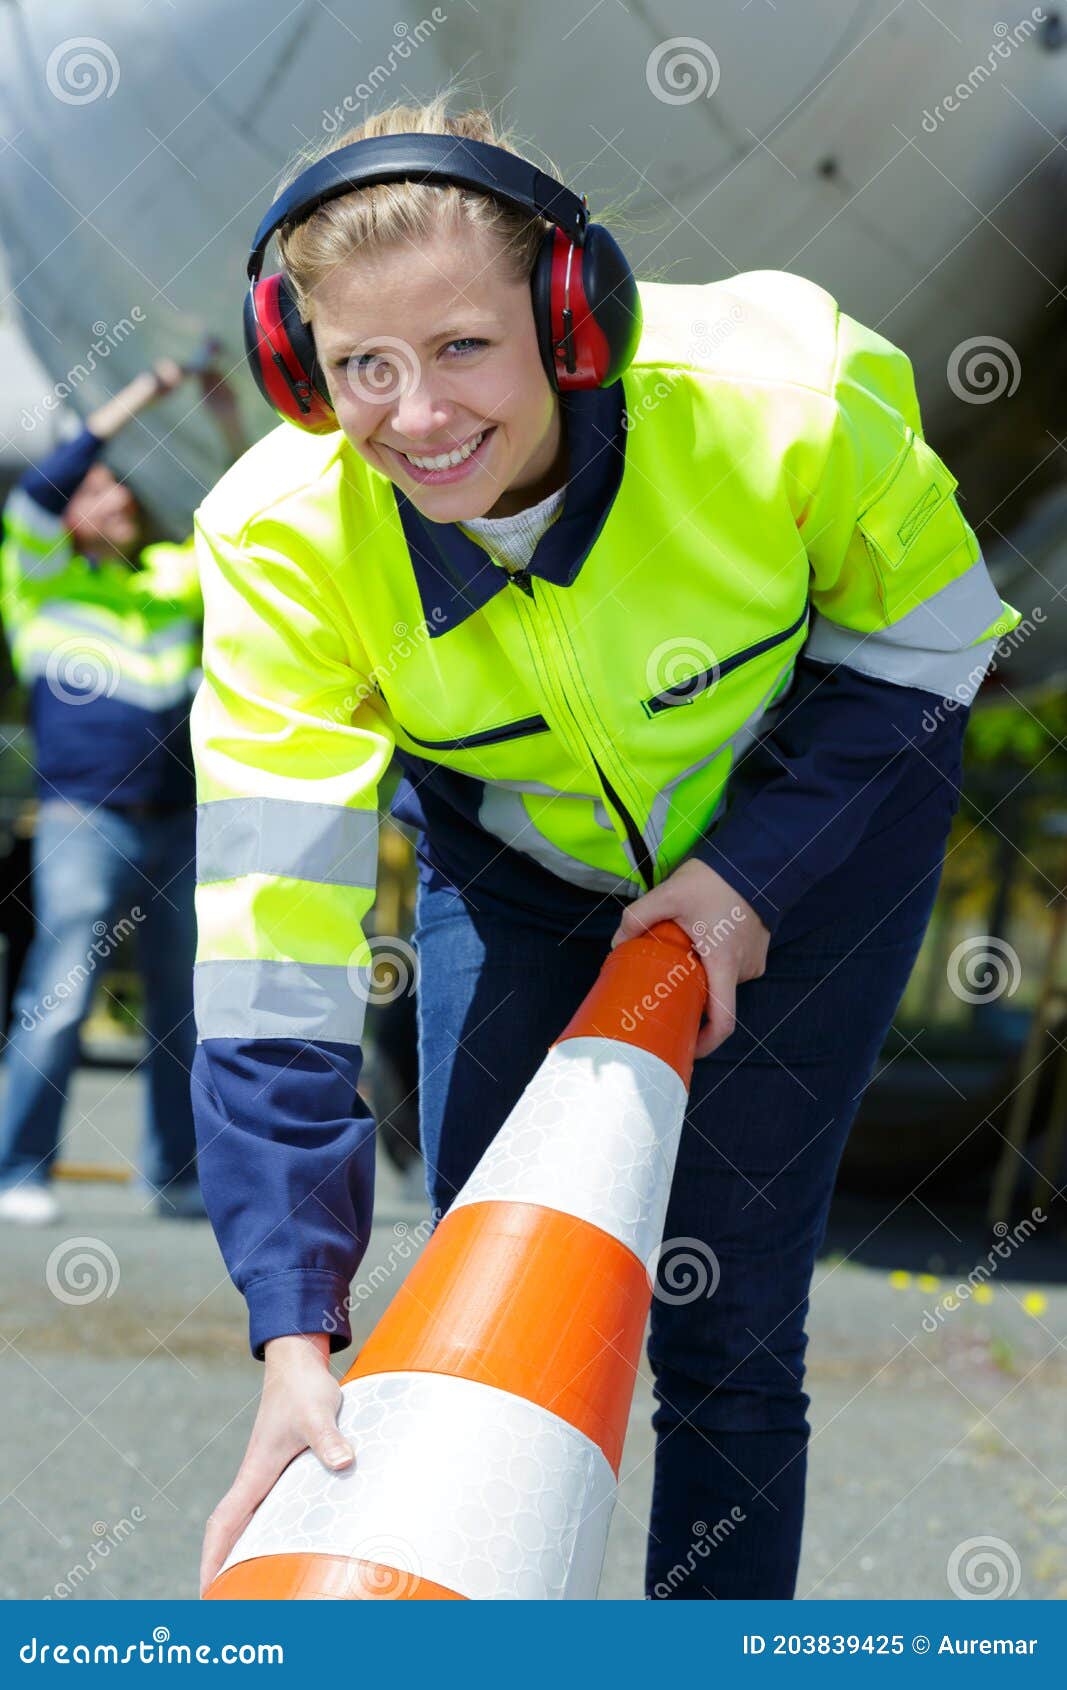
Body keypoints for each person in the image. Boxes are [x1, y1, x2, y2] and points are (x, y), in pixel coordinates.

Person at [192, 99, 1020, 1598]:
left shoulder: (787, 397)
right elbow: (271, 949)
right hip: (512, 861)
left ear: (573, 319)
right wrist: (292, 1331)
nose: (415, 415)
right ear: (296, 369)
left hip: (811, 832)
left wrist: (744, 878)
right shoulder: (278, 541)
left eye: (460, 347)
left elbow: (928, 647)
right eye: (358, 366)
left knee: (726, 1314)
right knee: (497, 1273)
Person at [0, 360, 205, 1224]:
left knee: (184, 1006)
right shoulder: (41, 579)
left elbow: (246, 522)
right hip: (87, 819)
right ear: (74, 517)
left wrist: (225, 417)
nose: (115, 495)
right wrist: (148, 387)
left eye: (122, 489)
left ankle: (181, 1176)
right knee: (59, 995)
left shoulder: (165, 582)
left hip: (181, 820)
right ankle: (18, 1171)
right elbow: (37, 491)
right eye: (99, 489)